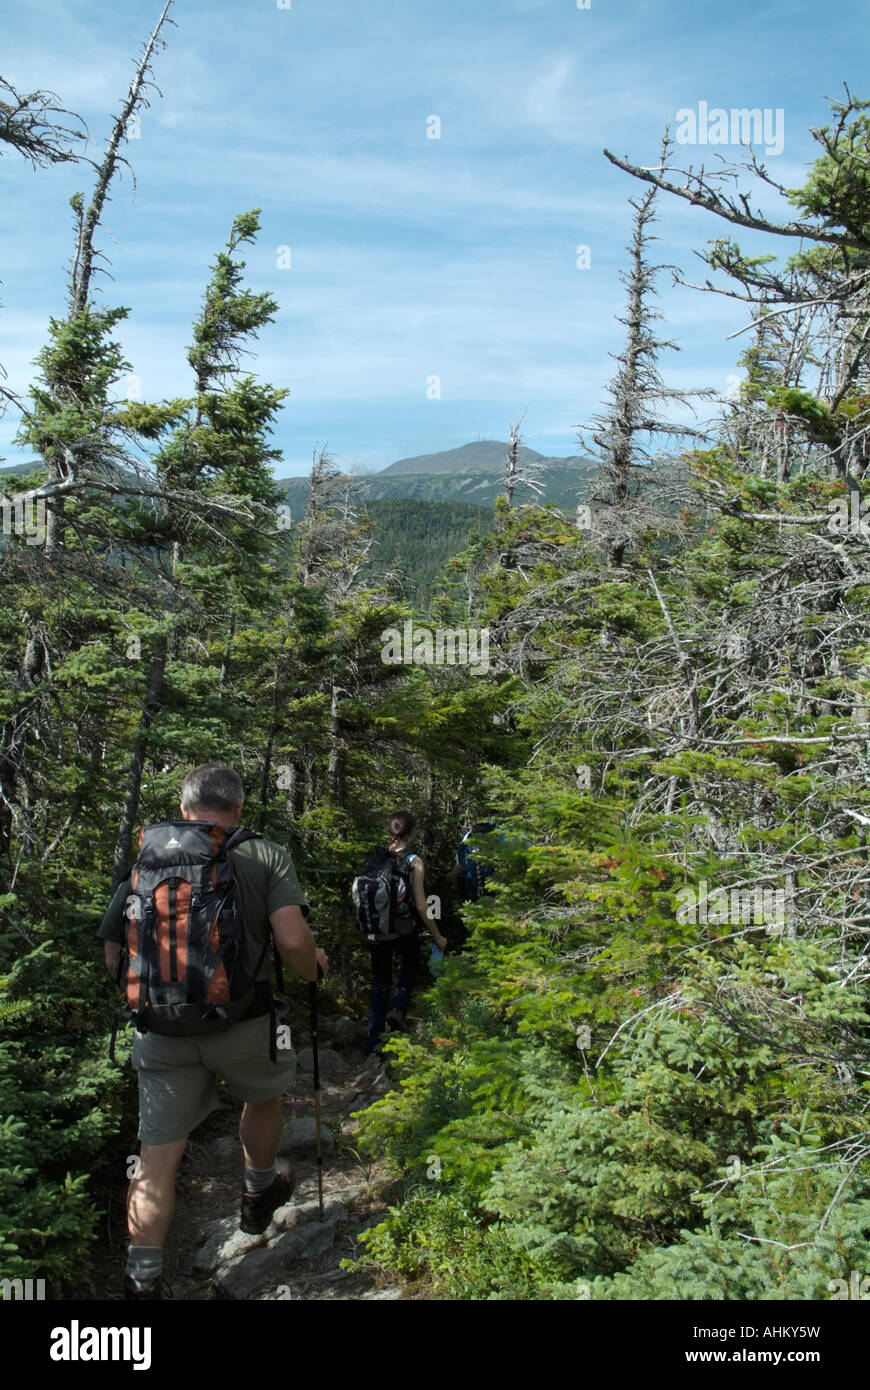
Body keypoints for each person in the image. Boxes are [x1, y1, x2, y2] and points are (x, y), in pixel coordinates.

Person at [98, 762, 328, 1300]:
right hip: (246, 1025)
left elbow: (113, 948)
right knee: (264, 1096)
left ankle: (142, 1280)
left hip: (158, 1031)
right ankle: (256, 1192)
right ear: (239, 807)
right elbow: (293, 945)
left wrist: (149, 994)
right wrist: (313, 966)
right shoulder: (264, 854)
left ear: (183, 808)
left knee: (155, 1159)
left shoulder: (149, 855)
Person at [365, 810, 447, 1057]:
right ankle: (399, 1007)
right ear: (409, 833)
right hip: (403, 930)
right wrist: (438, 936)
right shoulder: (414, 861)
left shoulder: (375, 859)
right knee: (411, 964)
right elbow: (422, 906)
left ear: (389, 831)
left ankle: (373, 1046)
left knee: (380, 984)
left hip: (377, 932)